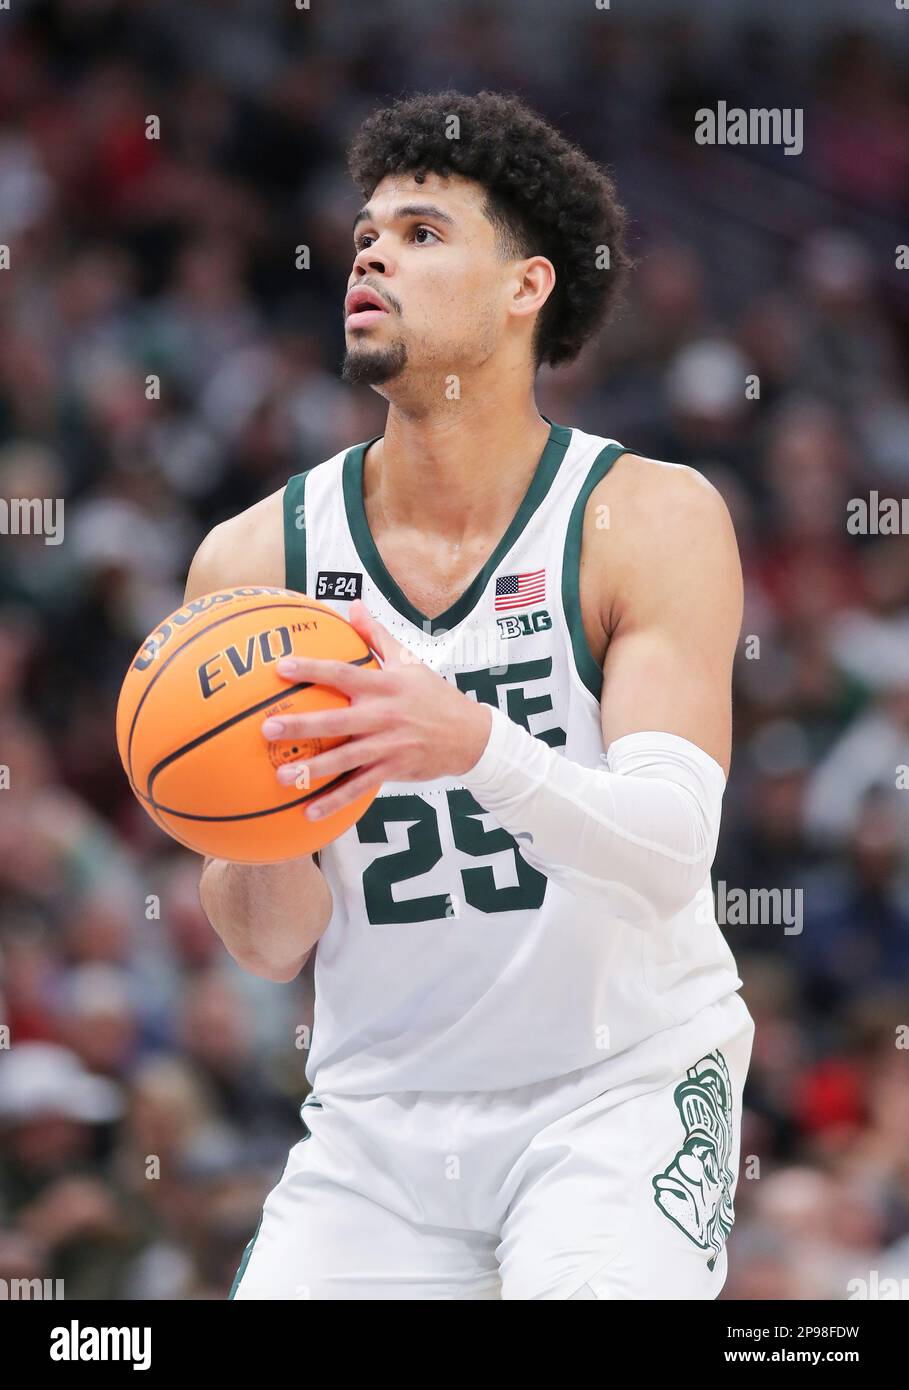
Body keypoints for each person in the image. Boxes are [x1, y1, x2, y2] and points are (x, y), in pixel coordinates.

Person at [187, 90, 754, 1300]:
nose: (374, 251)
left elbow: (668, 854)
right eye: (365, 235)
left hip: (621, 1092)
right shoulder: (251, 562)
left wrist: (470, 742)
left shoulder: (643, 518)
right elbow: (268, 943)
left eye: (425, 231)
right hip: (379, 1128)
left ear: (526, 287)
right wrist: (275, 812)